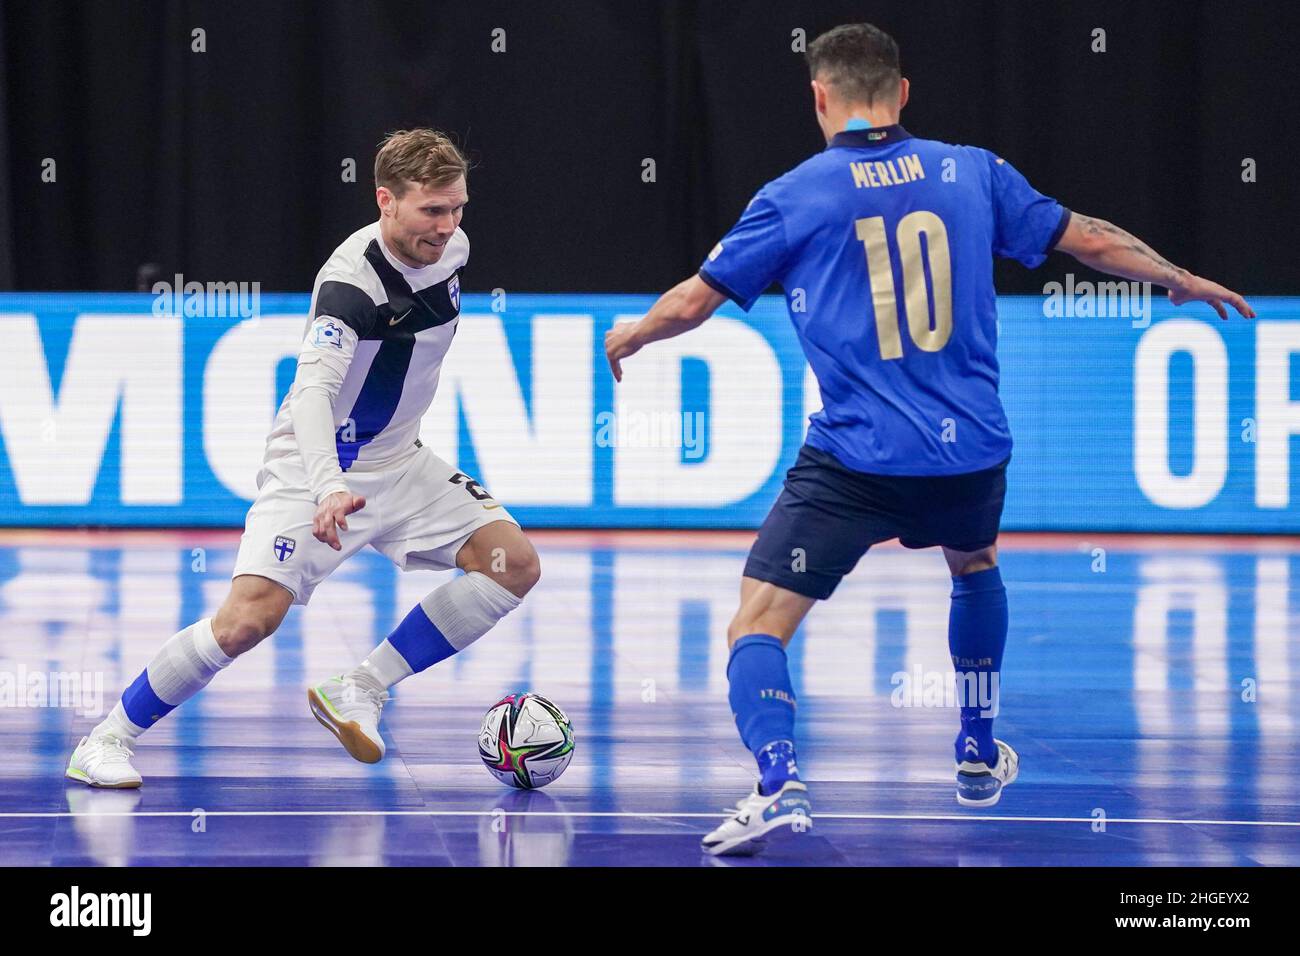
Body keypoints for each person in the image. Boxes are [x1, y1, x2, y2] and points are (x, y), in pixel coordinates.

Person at [604, 23, 1254, 856]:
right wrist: (1177, 277)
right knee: (974, 565)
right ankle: (977, 750)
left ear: (819, 96)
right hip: (969, 454)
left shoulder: (796, 194)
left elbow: (696, 300)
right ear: (902, 91)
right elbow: (1088, 238)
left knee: (755, 625)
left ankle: (778, 780)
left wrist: (634, 334)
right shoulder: (971, 171)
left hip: (855, 461)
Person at [67, 129, 540, 788]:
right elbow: (313, 391)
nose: (447, 225)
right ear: (385, 201)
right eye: (432, 210)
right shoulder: (349, 287)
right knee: (246, 622)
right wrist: (325, 485)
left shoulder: (450, 248)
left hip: (402, 460)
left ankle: (362, 687)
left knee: (512, 564)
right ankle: (106, 739)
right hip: (319, 465)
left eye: (457, 207)